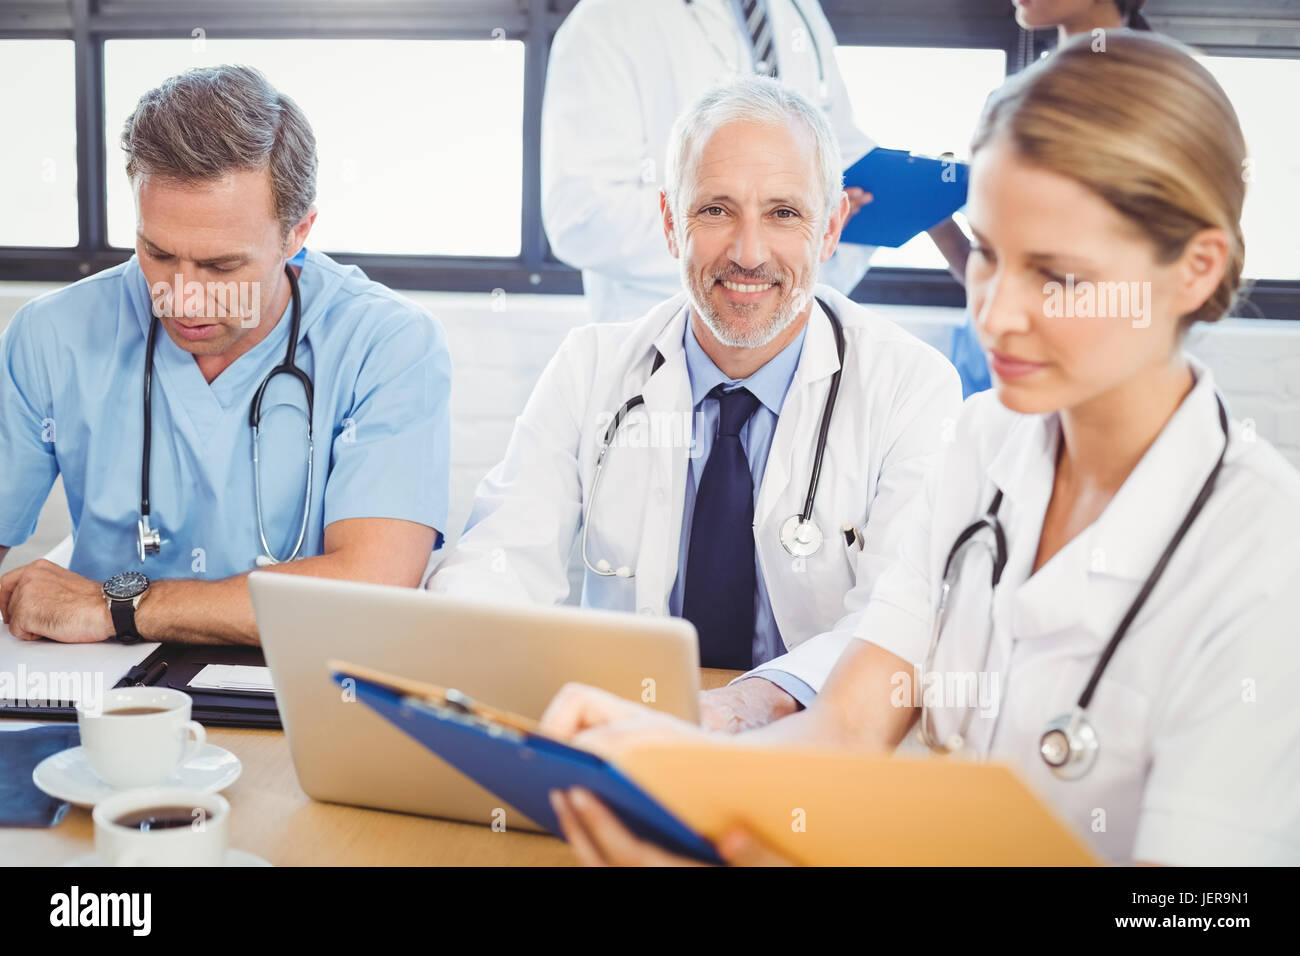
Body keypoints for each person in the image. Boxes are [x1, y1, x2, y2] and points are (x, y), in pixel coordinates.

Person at [538, 32, 1300, 866]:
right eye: (990, 258)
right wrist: (660, 771)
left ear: (1195, 269)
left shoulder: (1260, 552)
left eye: (1057, 277)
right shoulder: (984, 441)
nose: (996, 315)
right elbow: (844, 731)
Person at [432, 77, 961, 730]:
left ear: (830, 230)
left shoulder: (912, 387)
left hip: (813, 741)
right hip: (625, 734)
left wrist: (740, 707)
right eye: (715, 209)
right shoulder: (590, 369)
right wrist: (461, 666)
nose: (747, 252)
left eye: (784, 213)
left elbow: (898, 621)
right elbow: (499, 562)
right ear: (669, 222)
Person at [0, 65, 452, 646]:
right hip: (108, 692)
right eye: (157, 252)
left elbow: (370, 587)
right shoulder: (52, 334)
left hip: (302, 681)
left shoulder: (387, 344)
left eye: (220, 266)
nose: (182, 295)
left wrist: (123, 608)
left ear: (297, 233)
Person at [541, 0, 968, 326]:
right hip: (665, 333)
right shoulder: (608, 22)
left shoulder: (793, 10)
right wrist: (745, 232)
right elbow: (582, 216)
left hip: (792, 331)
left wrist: (922, 195)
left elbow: (833, 139)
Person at [949, 0, 1155, 399]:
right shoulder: (1006, 100)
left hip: (1086, 366)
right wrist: (929, 214)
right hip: (986, 369)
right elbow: (1003, 270)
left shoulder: (1154, 96)